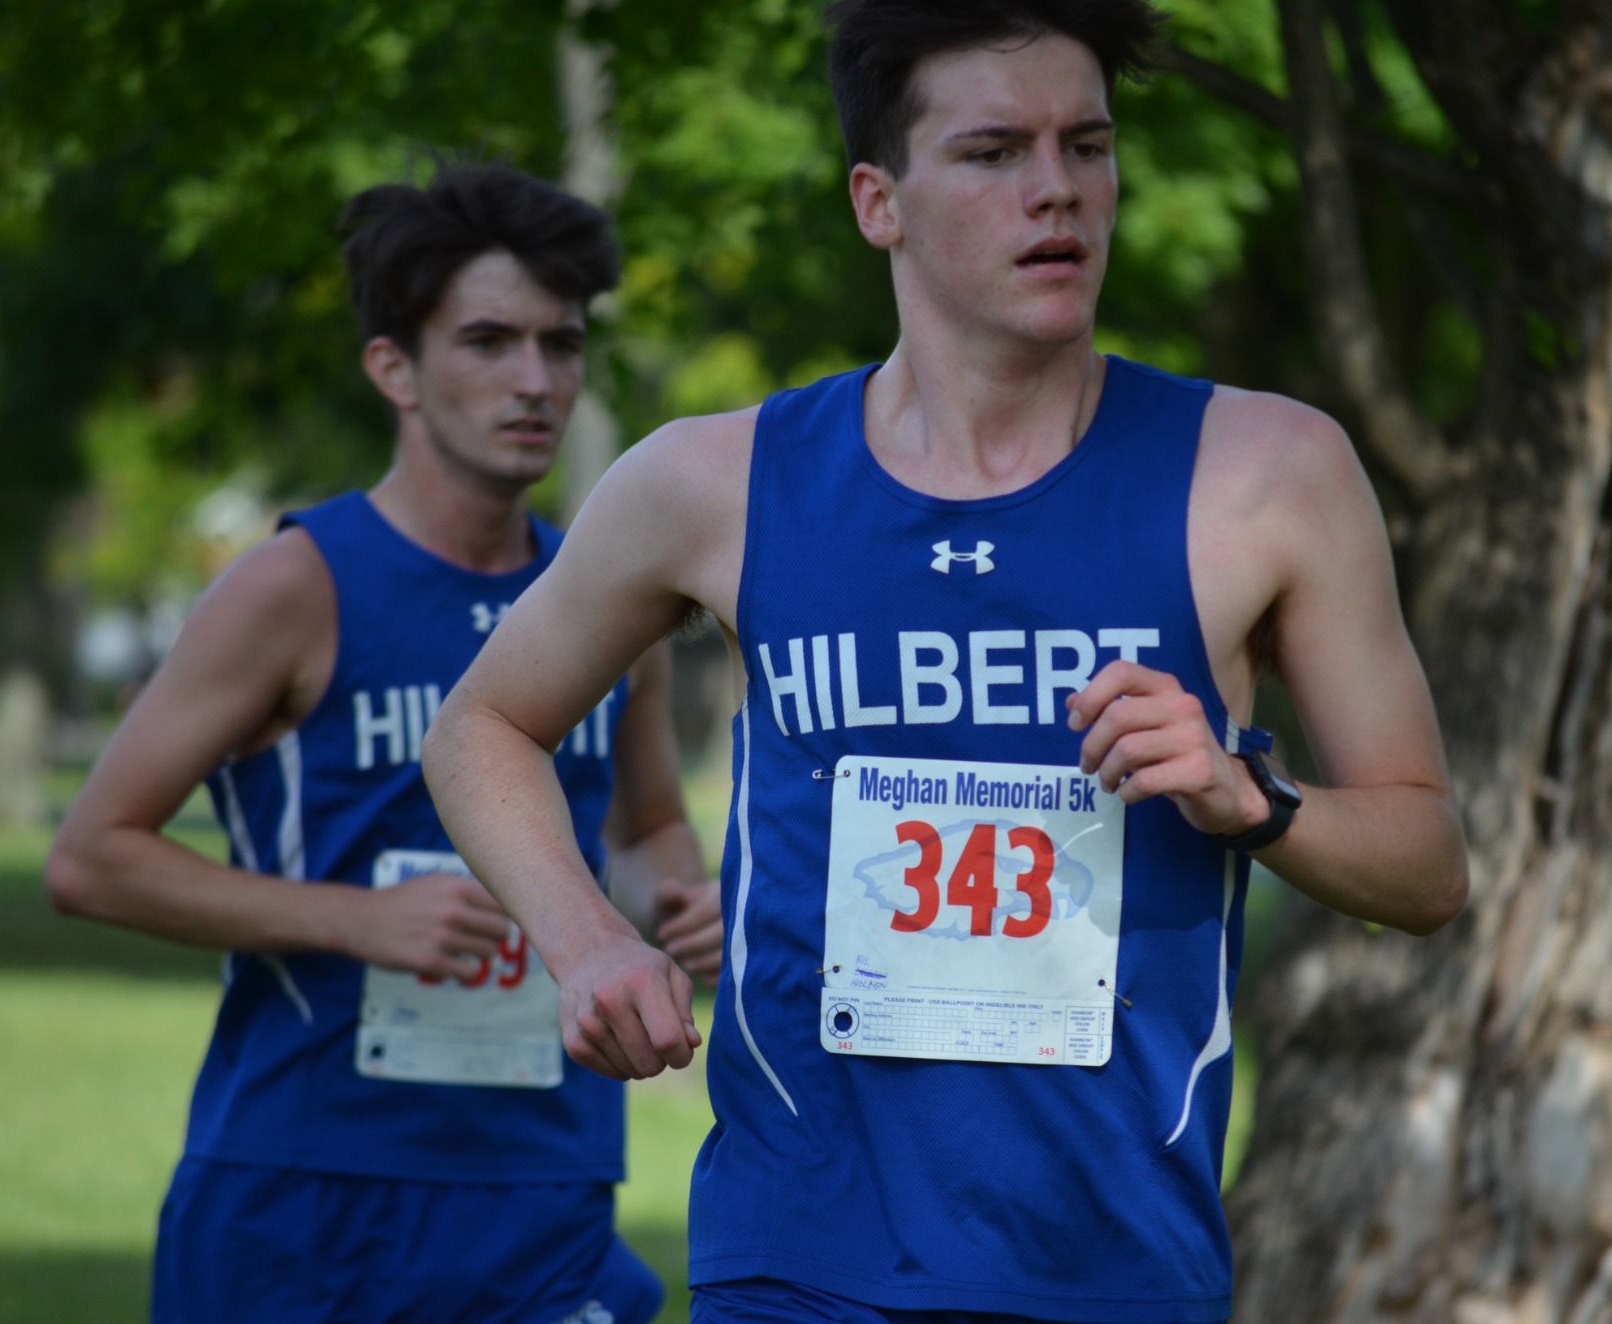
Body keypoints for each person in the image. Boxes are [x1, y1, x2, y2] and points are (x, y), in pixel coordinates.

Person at [424, 1, 1470, 1317]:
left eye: (1086, 146)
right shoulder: (715, 482)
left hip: (1115, 1265)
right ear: (881, 200)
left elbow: (1430, 866)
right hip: (797, 1257)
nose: (1056, 192)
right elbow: (482, 728)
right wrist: (581, 943)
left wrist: (1247, 796)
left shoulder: (1266, 474)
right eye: (991, 153)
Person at [45, 162, 720, 1324]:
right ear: (392, 368)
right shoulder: (295, 584)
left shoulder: (605, 596)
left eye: (560, 346)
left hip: (545, 1178)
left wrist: (678, 900)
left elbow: (647, 823)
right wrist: (352, 919)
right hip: (307, 1187)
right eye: (489, 341)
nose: (534, 381)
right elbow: (91, 854)